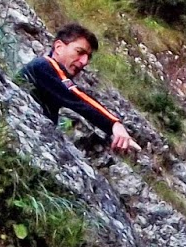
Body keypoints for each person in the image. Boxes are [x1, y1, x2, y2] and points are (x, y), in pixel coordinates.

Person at [20, 23, 135, 153]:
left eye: (88, 57)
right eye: (79, 52)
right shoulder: (44, 66)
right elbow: (76, 96)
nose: (84, 62)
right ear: (59, 47)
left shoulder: (49, 73)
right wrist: (113, 123)